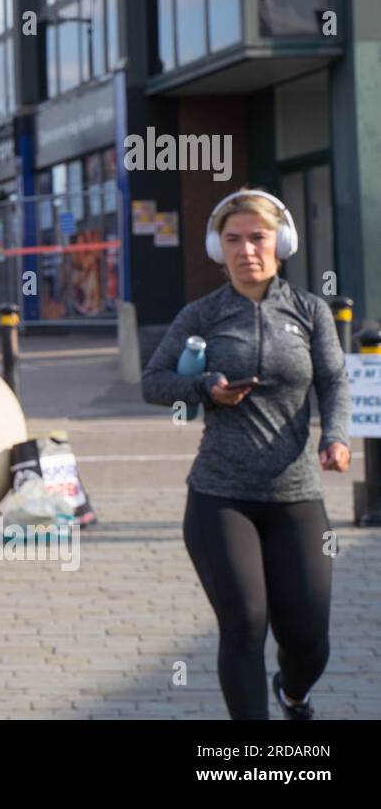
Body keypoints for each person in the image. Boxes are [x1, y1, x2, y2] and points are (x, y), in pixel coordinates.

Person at [141, 189, 350, 720]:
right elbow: (154, 382)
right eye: (232, 239)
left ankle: (294, 693)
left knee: (309, 641)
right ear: (219, 248)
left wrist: (336, 436)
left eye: (257, 237)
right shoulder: (202, 314)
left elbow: (333, 380)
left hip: (297, 495)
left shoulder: (310, 310)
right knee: (244, 625)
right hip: (220, 496)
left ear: (280, 242)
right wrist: (204, 389)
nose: (246, 250)